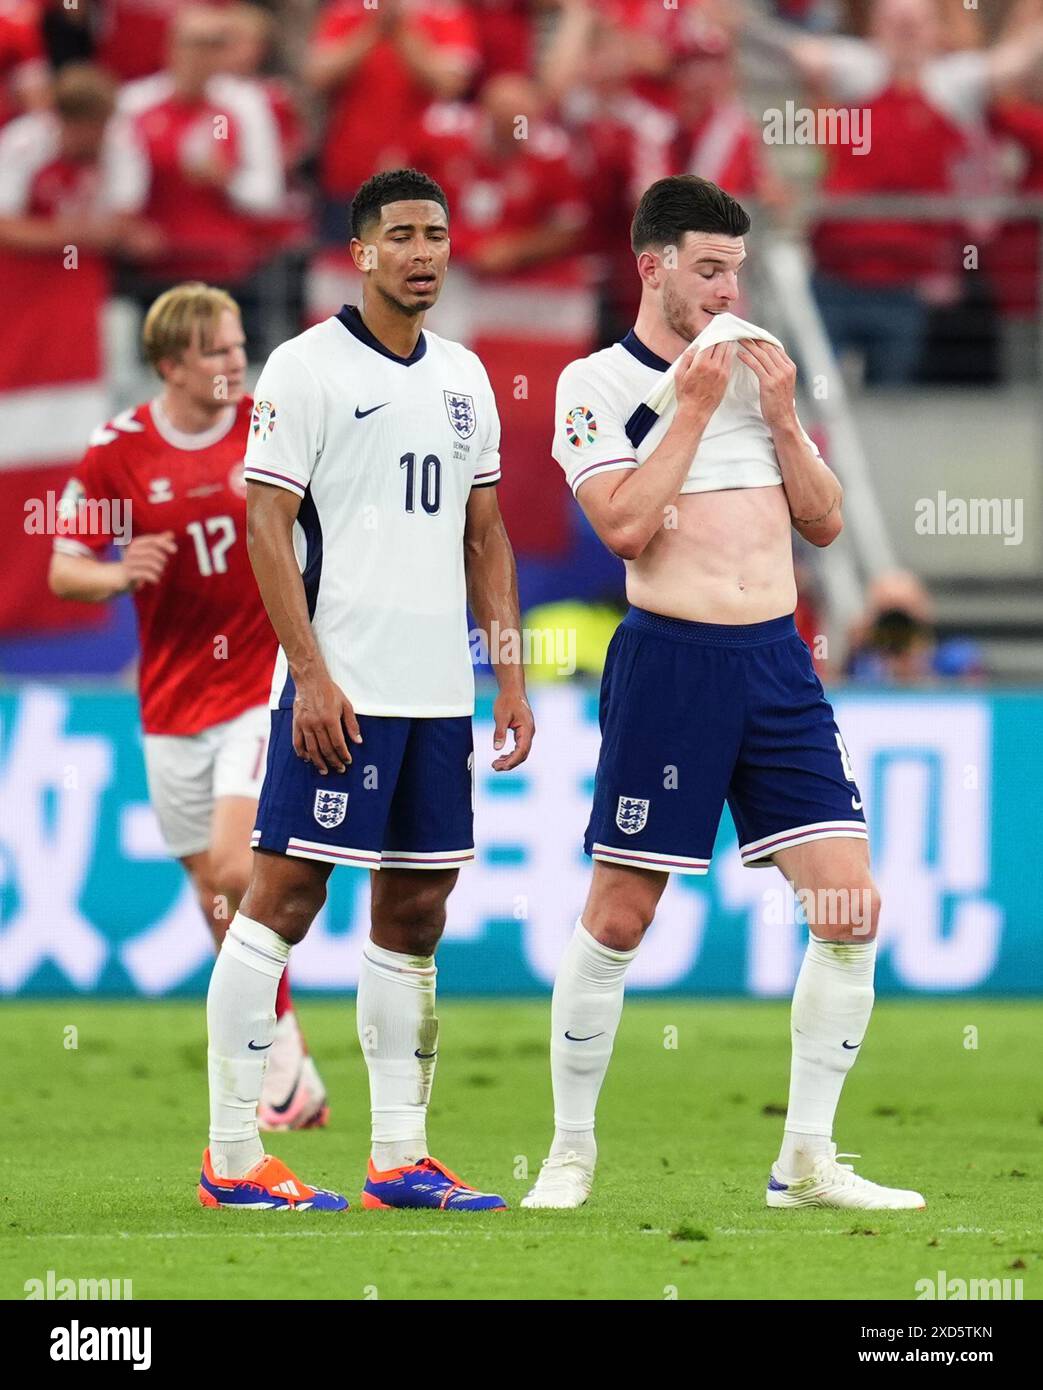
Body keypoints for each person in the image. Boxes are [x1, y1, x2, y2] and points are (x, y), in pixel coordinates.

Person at [522, 174, 925, 1212]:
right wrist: (691, 410)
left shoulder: (758, 372)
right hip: (672, 663)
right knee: (619, 914)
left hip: (775, 663)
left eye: (734, 268)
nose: (724, 288)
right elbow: (620, 527)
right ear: (651, 265)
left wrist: (785, 421)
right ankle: (568, 1152)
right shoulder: (595, 385)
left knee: (847, 906)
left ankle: (805, 1156)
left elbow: (825, 523)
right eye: (707, 268)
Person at [199, 167, 535, 1213]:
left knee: (418, 904)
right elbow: (265, 527)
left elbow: (485, 533)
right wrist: (306, 672)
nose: (424, 251)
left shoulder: (467, 377)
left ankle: (399, 1159)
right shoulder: (303, 369)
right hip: (336, 684)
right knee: (285, 895)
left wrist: (508, 672)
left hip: (436, 694)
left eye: (435, 233)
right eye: (402, 235)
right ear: (360, 251)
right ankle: (232, 1155)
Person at [48, 282, 329, 1133]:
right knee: (212, 897)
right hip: (170, 699)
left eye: (239, 343)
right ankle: (288, 1070)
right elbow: (66, 566)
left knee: (239, 870)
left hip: (262, 680)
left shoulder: (269, 426)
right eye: (215, 349)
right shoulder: (119, 451)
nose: (235, 361)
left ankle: (270, 1082)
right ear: (169, 365)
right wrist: (117, 571)